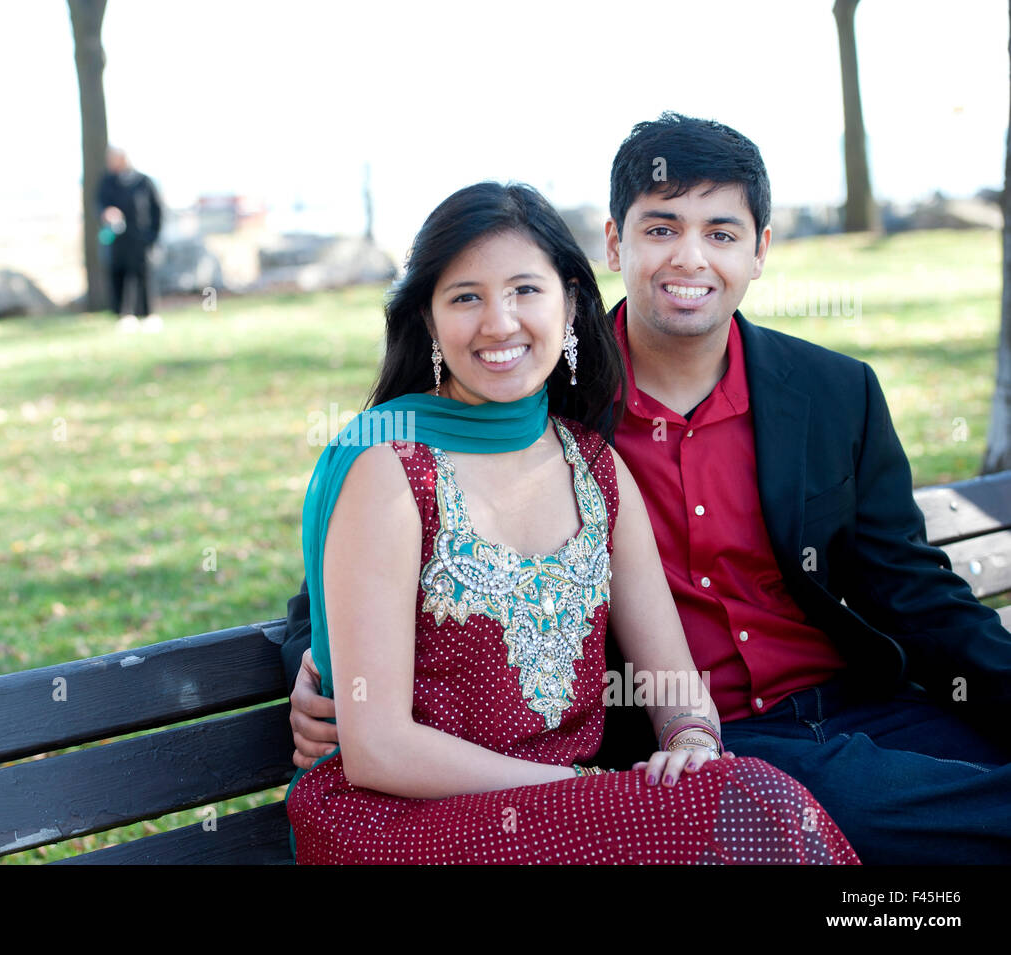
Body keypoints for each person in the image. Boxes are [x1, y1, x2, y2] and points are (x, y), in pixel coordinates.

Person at [285, 114, 1011, 864]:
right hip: (685, 759)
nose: (690, 257)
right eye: (661, 228)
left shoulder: (819, 397)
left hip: (849, 710)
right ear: (614, 243)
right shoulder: (530, 407)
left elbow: (913, 590)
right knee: (812, 809)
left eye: (721, 233)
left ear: (759, 250)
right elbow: (346, 587)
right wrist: (323, 675)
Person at [96, 146, 163, 322]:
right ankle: (124, 315)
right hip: (118, 240)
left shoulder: (143, 182)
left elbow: (157, 210)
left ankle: (148, 314)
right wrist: (107, 212)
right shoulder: (107, 182)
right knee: (120, 275)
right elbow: (100, 205)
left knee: (142, 275)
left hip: (141, 237)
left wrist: (152, 235)